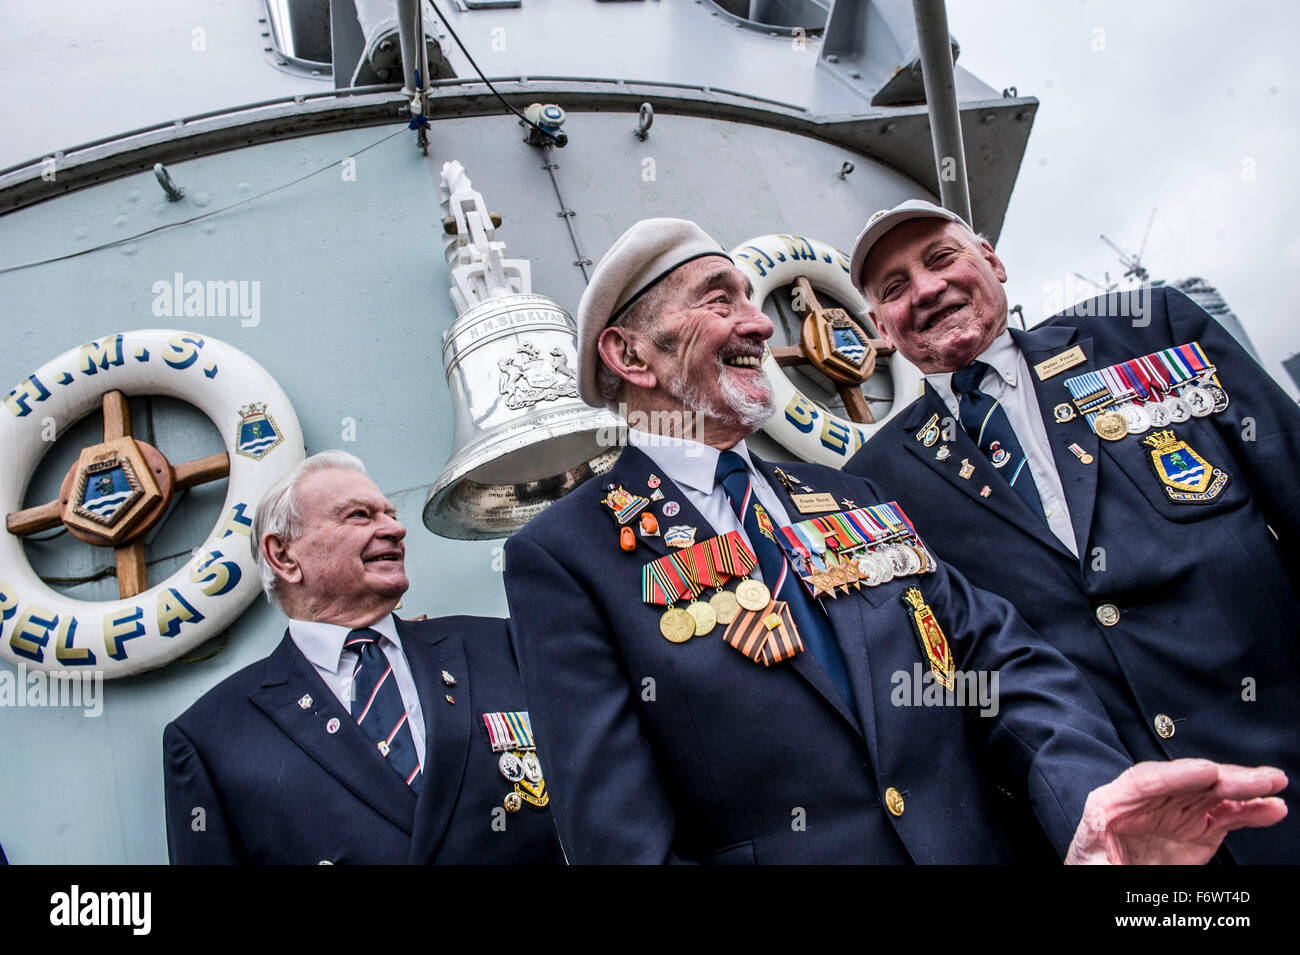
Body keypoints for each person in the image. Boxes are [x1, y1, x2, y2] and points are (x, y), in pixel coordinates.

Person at [502, 217, 1286, 864]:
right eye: (719, 300)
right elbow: (619, 841)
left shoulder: (852, 495)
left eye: (750, 296)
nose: (758, 321)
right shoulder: (568, 554)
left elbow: (995, 662)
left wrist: (1088, 798)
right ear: (629, 354)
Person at [844, 198, 1300, 862]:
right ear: (880, 327)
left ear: (992, 261)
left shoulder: (1151, 332)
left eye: (941, 257)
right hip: (1127, 840)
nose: (926, 288)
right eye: (894, 288)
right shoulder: (876, 484)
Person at [163, 451, 563, 864]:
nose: (395, 527)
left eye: (389, 514)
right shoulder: (210, 739)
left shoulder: (500, 646)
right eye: (359, 516)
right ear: (283, 556)